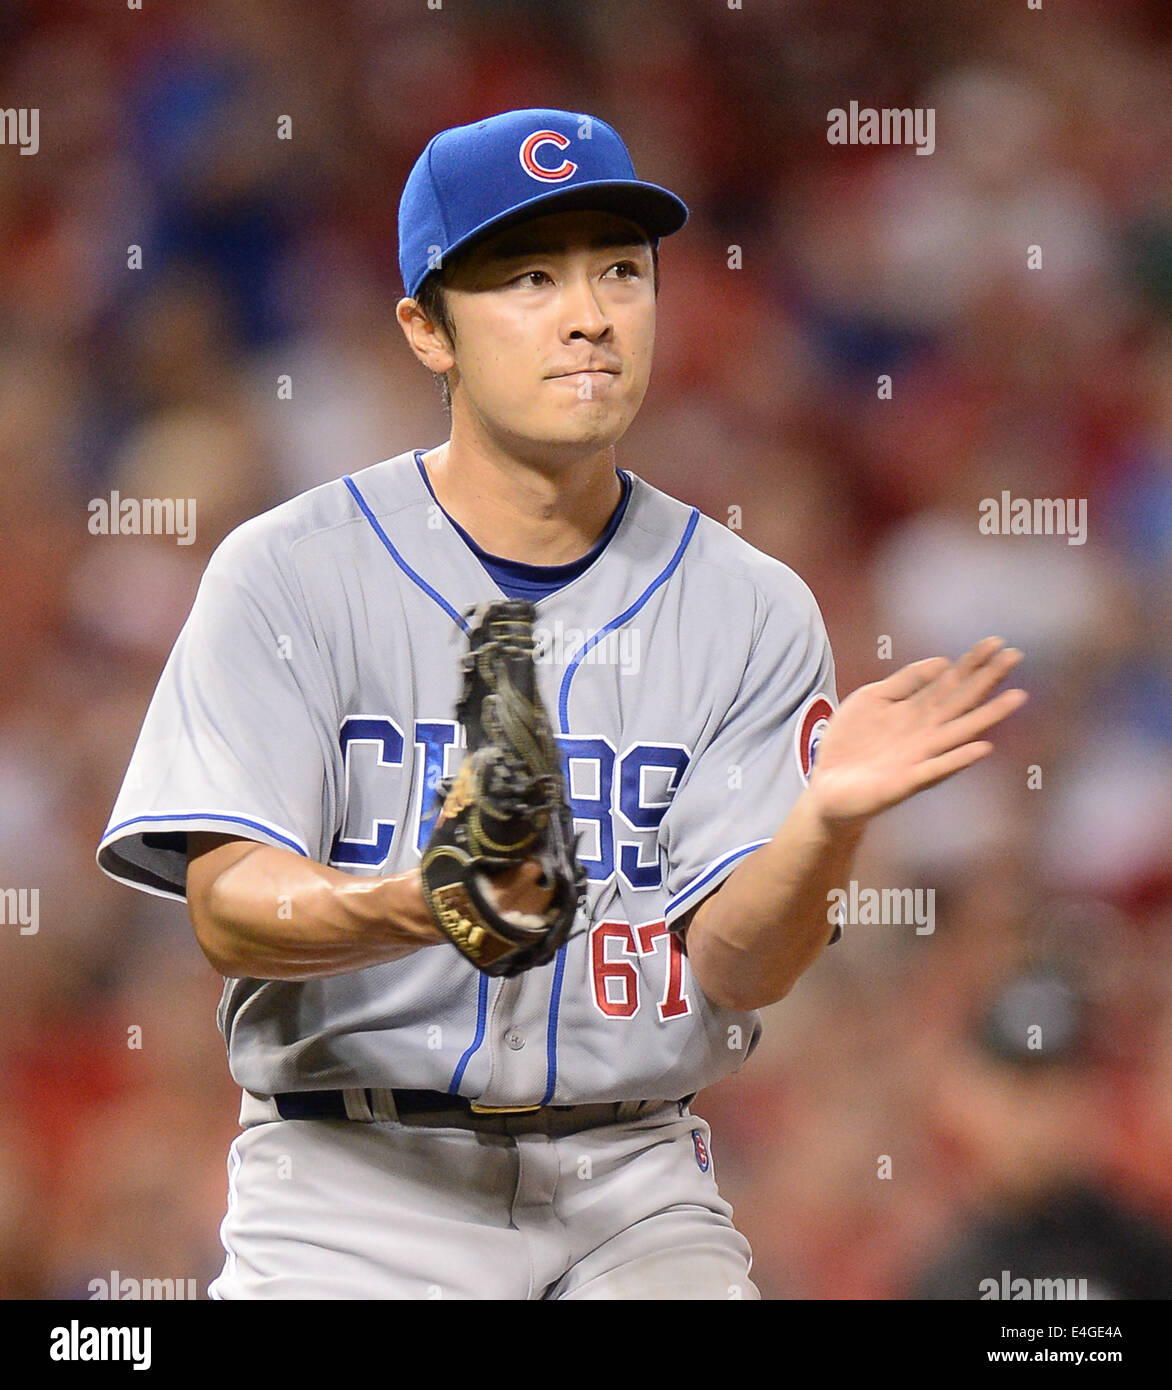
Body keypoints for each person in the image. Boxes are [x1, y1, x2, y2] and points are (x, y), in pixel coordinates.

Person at [96, 107, 1027, 1300]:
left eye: (620, 272)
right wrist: (421, 901)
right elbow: (226, 908)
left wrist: (825, 823)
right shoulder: (290, 570)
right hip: (350, 1186)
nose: (589, 312)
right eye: (529, 276)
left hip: (630, 1185)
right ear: (425, 330)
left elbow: (741, 969)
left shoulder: (751, 606)